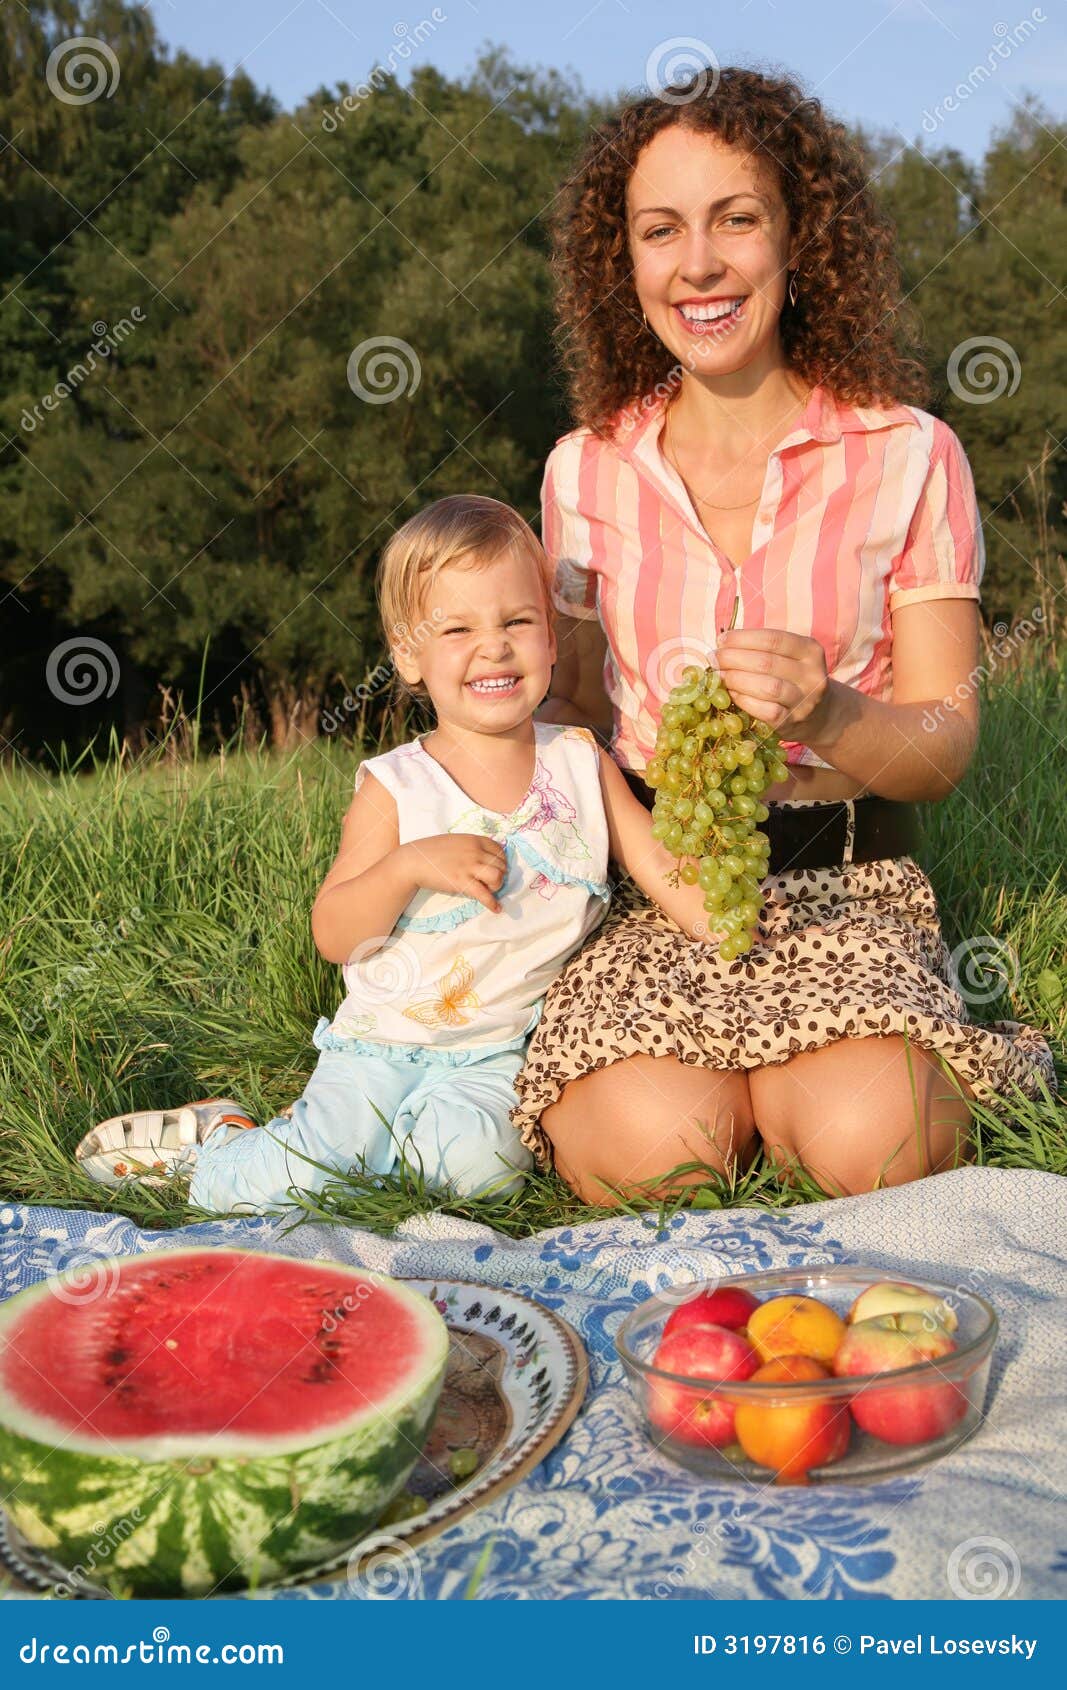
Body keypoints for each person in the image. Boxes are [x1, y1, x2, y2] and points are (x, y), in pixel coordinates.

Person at [514, 66, 1057, 1204]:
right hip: (658, 892)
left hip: (847, 892)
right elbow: (562, 717)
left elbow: (943, 745)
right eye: (660, 231)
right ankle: (738, 1101)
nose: (696, 264)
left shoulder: (909, 455)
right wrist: (646, 862)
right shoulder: (586, 470)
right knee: (659, 1154)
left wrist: (829, 712)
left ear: (797, 238)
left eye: (735, 219)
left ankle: (811, 1091)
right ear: (625, 261)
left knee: (875, 1144)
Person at [76, 496, 724, 1212]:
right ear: (407, 655)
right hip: (376, 1048)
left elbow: (655, 864)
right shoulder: (397, 785)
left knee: (472, 1176)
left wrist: (726, 920)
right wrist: (409, 865)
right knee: (295, 1182)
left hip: (497, 1053)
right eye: (456, 628)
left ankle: (391, 1159)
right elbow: (335, 932)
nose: (493, 646)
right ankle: (222, 1138)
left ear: (550, 639)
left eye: (517, 621)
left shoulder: (577, 761)